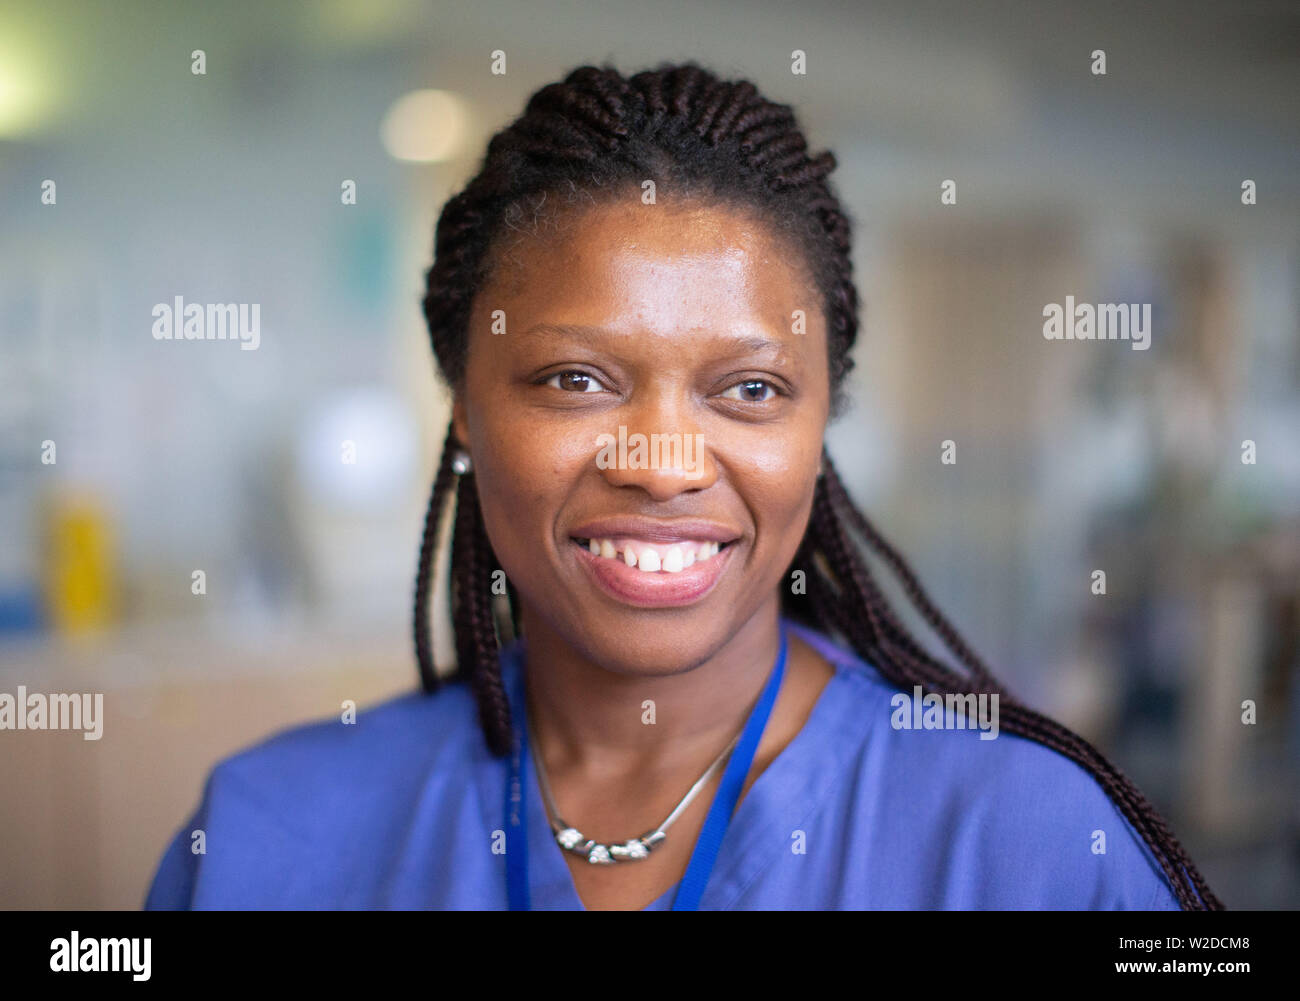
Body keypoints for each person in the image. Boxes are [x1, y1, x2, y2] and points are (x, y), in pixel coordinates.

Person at [145, 62, 1220, 911]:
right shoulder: (261, 833)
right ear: (464, 407)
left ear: (817, 424)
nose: (663, 464)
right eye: (575, 379)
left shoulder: (1020, 840)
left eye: (749, 388)